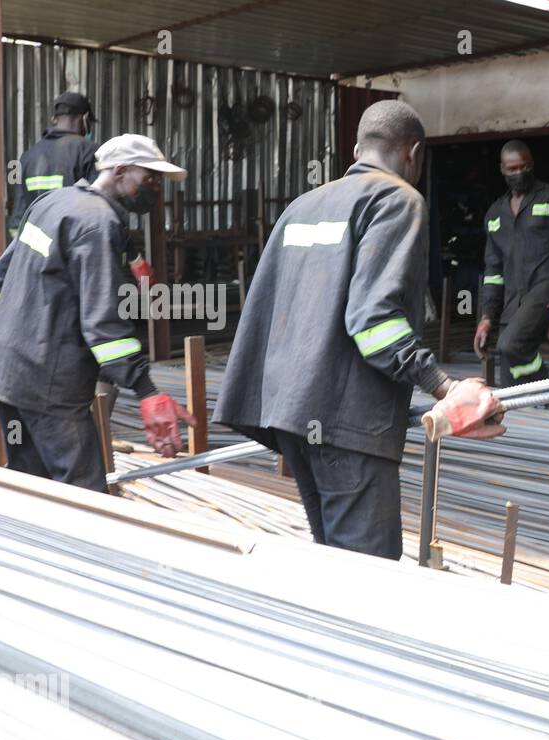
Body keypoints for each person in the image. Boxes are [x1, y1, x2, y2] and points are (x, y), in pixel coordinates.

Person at [215, 100, 504, 562]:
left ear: (356, 149)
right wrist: (444, 386)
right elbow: (373, 321)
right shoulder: (397, 200)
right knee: (368, 581)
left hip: (290, 417)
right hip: (345, 421)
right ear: (414, 153)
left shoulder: (303, 206)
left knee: (332, 564)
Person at [0, 134, 195, 492]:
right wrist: (147, 390)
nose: (155, 189)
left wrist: (11, 343)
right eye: (150, 179)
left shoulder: (53, 202)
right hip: (50, 388)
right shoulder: (97, 225)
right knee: (84, 495)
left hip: (6, 372)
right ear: (121, 171)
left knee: (30, 485)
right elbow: (104, 325)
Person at [473, 140, 549, 385]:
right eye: (512, 169)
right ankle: (525, 406)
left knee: (510, 344)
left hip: (547, 288)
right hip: (512, 299)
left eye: (524, 167)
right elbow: (493, 271)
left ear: (532, 166)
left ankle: (543, 388)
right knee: (507, 364)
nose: (518, 173)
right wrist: (486, 317)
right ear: (502, 169)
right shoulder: (495, 214)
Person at [8, 91, 99, 239]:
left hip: (36, 252)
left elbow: (17, 219)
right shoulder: (89, 151)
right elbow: (98, 208)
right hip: (75, 249)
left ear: (54, 119)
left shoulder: (26, 157)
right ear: (85, 118)